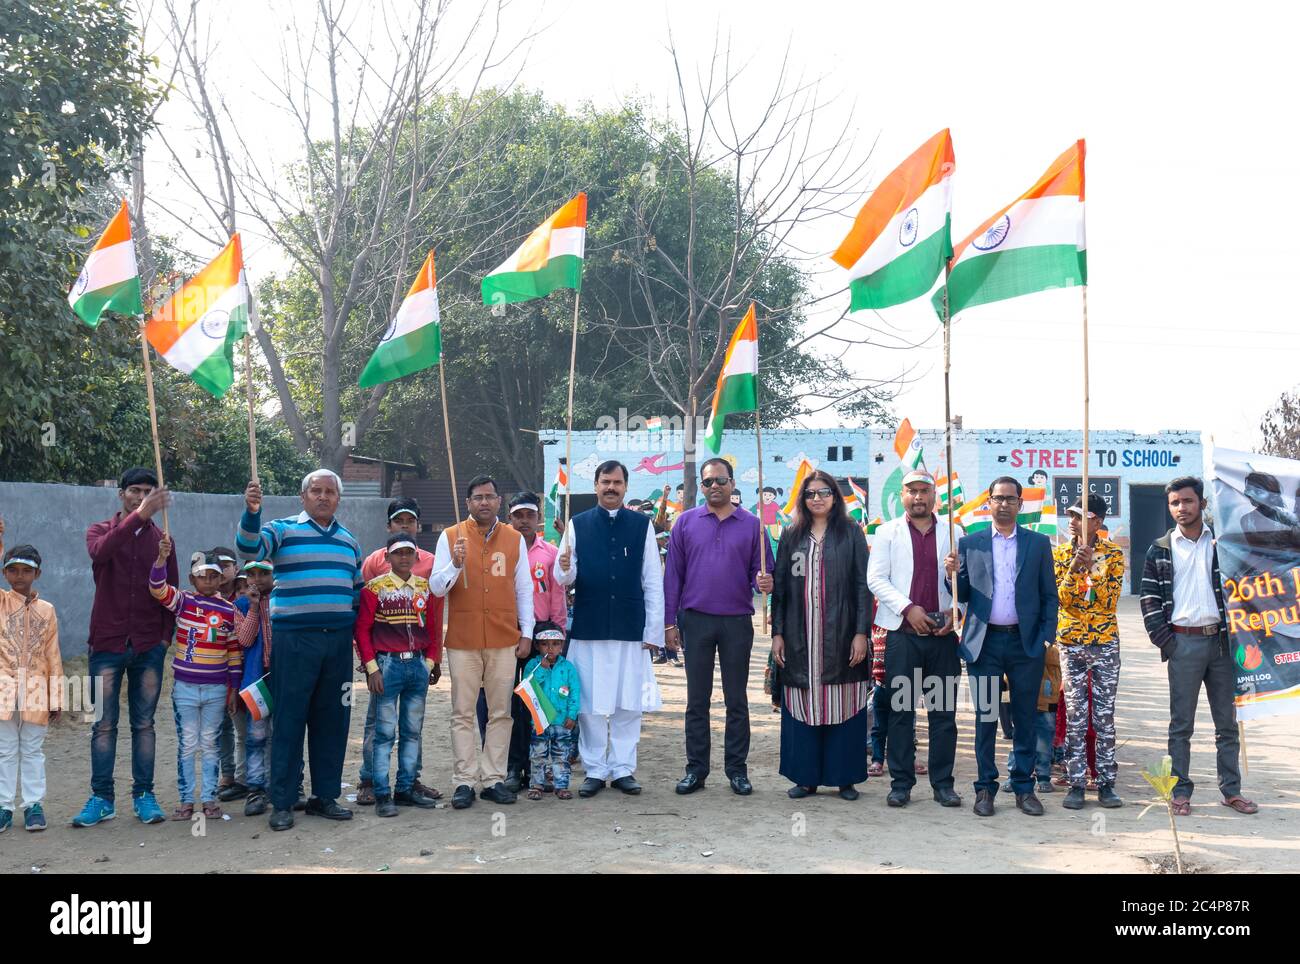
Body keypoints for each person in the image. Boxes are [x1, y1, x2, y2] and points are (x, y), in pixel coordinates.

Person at [237, 470, 363, 831]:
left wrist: (349, 638)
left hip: (336, 644)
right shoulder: (282, 529)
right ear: (303, 496)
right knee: (289, 721)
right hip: (294, 642)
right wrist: (252, 512)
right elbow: (249, 550)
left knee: (333, 722)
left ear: (338, 498)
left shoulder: (349, 541)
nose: (323, 497)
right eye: (316, 491)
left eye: (330, 492)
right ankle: (283, 800)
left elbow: (355, 593)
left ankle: (325, 796)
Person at [1140, 477, 1257, 816]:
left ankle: (1231, 791)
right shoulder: (1160, 548)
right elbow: (1148, 598)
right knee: (1181, 726)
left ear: (1202, 504)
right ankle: (1180, 792)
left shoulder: (1222, 545)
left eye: (1188, 501)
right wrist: (1167, 642)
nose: (1181, 508)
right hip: (1182, 644)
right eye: (1175, 503)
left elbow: (1245, 587)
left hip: (1221, 643)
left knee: (1227, 725)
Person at [945, 476, 1058, 817]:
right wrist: (950, 574)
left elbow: (1049, 596)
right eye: (998, 498)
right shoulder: (971, 544)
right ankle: (985, 789)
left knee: (1026, 718)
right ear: (988, 503)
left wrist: (1045, 637)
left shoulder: (1038, 544)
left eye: (1010, 498)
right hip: (985, 642)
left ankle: (1024, 787)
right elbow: (962, 595)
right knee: (986, 717)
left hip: (1026, 644)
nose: (1004, 503)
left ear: (1020, 504)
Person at [664, 457, 773, 796]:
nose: (714, 487)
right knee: (697, 700)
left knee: (736, 700)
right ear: (702, 484)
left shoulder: (753, 525)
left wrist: (766, 582)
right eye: (708, 481)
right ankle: (696, 770)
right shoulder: (685, 523)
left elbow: (763, 579)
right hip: (695, 620)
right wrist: (669, 623)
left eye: (720, 481)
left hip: (737, 623)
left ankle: (736, 770)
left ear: (732, 483)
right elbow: (673, 577)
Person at [554, 460, 664, 797]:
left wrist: (653, 632)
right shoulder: (578, 524)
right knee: (589, 704)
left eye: (617, 482)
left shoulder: (641, 525)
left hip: (631, 628)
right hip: (590, 627)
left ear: (625, 486)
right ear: (597, 485)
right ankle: (594, 769)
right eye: (605, 482)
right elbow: (564, 580)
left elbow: (652, 580)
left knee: (628, 703)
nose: (611, 488)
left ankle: (621, 769)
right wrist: (565, 567)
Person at [74, 466, 175, 828]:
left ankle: (144, 795)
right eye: (135, 490)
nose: (142, 495)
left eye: (149, 490)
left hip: (149, 645)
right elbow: (101, 554)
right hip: (106, 644)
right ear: (122, 494)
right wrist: (139, 516)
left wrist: (165, 640)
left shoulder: (163, 539)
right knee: (102, 724)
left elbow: (171, 595)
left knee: (144, 724)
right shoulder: (100, 530)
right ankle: (102, 798)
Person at [429, 475, 534, 810]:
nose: (484, 502)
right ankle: (464, 780)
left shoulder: (514, 538)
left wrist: (527, 632)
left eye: (490, 496)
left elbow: (524, 590)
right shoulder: (450, 537)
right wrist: (454, 564)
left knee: (501, 712)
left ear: (499, 501)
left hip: (504, 637)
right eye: (478, 497)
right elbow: (436, 588)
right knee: (462, 712)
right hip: (463, 640)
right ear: (469, 502)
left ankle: (493, 779)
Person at [771, 469, 873, 800]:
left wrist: (861, 633)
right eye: (811, 493)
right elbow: (782, 589)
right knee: (803, 704)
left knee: (843, 703)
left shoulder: (850, 534)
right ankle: (805, 778)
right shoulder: (791, 535)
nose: (817, 498)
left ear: (835, 496)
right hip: (801, 637)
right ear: (803, 498)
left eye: (824, 492)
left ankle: (845, 778)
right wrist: (778, 633)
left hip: (841, 634)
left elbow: (862, 586)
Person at [866, 469, 961, 808]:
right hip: (902, 635)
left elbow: (965, 584)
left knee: (942, 713)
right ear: (902, 495)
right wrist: (909, 609)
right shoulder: (887, 532)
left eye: (924, 491)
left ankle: (943, 784)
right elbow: (876, 579)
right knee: (901, 712)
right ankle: (901, 783)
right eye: (912, 491)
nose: (918, 497)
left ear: (935, 496)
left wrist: (956, 608)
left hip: (943, 636)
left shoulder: (955, 531)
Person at [355, 497, 441, 808]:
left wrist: (430, 661)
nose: (404, 557)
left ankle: (406, 788)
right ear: (387, 555)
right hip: (386, 666)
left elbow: (432, 626)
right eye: (398, 552)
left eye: (409, 552)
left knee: (412, 731)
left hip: (416, 664)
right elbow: (362, 629)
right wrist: (371, 666)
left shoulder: (424, 587)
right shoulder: (373, 586)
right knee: (382, 732)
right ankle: (379, 791)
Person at [150, 539, 241, 820]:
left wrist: (233, 689)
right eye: (204, 575)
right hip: (185, 689)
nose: (209, 580)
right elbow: (157, 588)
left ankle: (210, 799)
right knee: (188, 744)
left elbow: (234, 653)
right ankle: (187, 800)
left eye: (215, 575)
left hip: (215, 689)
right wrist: (160, 560)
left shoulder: (229, 610)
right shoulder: (183, 601)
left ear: (221, 578)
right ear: (193, 578)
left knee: (211, 743)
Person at [1054, 494, 1125, 810]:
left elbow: (1107, 600)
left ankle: (1106, 782)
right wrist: (1075, 567)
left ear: (1097, 522)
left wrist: (1092, 565)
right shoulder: (1060, 554)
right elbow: (1063, 599)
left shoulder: (1113, 554)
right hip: (1071, 643)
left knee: (1104, 715)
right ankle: (1076, 782)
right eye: (1071, 515)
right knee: (1075, 715)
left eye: (1080, 515)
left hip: (1104, 643)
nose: (1072, 521)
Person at [505, 492, 567, 791]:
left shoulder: (550, 553)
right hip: (508, 631)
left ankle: (541, 767)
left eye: (529, 515)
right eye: (518, 515)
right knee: (511, 703)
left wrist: (556, 634)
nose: (524, 521)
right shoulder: (503, 550)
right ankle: (514, 767)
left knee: (540, 704)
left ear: (537, 517)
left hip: (543, 632)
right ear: (510, 518)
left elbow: (558, 596)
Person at [0, 543, 62, 833]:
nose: (19, 576)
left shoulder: (47, 610)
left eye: (26, 571)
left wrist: (57, 696)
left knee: (33, 750)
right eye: (13, 570)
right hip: (3, 690)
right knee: (6, 750)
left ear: (38, 573)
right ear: (4, 573)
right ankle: (4, 806)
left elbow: (53, 655)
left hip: (37, 690)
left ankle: (33, 805)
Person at [522, 621, 581, 801]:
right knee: (538, 754)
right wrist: (542, 670)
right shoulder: (533, 665)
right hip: (540, 721)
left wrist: (572, 715)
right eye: (545, 644)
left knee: (561, 755)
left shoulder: (568, 668)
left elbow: (575, 693)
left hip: (562, 721)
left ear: (562, 645)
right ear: (537, 646)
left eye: (555, 644)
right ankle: (537, 785)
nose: (551, 648)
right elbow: (528, 686)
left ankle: (561, 785)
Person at [212, 545, 248, 803]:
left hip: (242, 674)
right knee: (220, 728)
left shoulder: (245, 597)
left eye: (227, 565)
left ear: (236, 568)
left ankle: (247, 779)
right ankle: (228, 774)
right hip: (213, 672)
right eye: (218, 566)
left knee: (244, 729)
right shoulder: (206, 598)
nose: (223, 571)